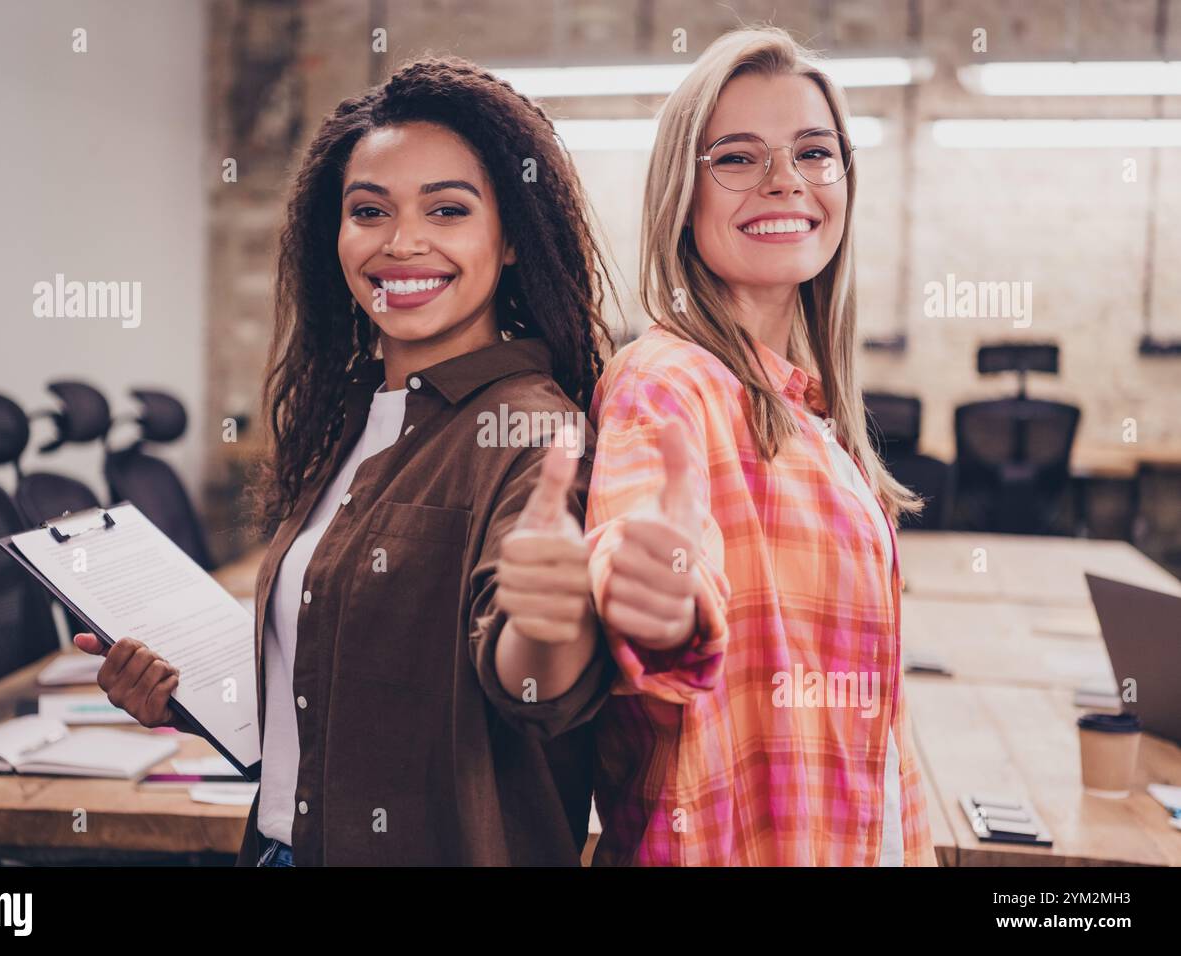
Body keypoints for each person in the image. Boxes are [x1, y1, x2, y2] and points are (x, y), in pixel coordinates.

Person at [76, 55, 617, 866]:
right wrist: (194, 694)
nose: (402, 242)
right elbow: (343, 684)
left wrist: (549, 623)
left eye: (448, 209)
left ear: (508, 242)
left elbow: (535, 689)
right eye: (370, 211)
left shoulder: (532, 431)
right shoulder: (349, 421)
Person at [584, 26, 938, 866]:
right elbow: (644, 552)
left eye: (814, 152)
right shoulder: (667, 382)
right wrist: (654, 596)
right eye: (737, 158)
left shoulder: (806, 405)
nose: (786, 181)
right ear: (682, 192)